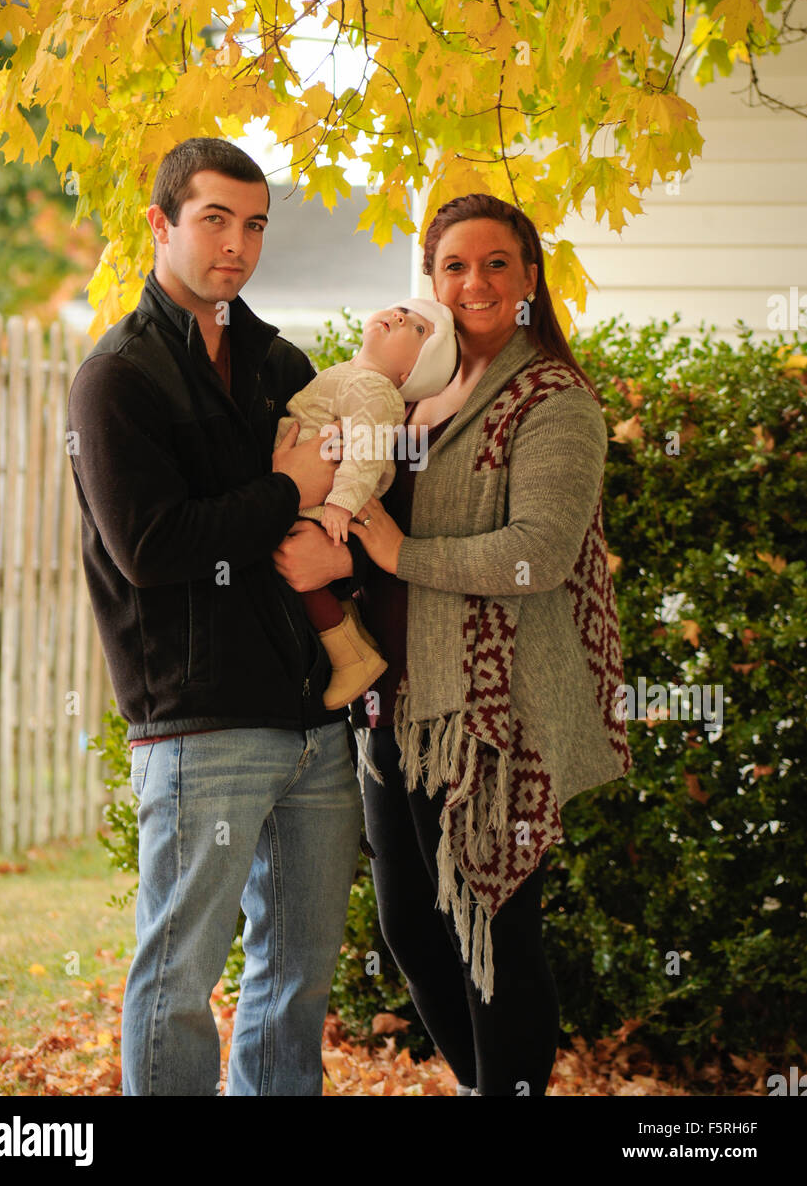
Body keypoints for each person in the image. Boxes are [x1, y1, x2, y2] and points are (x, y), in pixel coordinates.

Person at [274, 192, 632, 1098]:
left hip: (490, 712)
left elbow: (537, 557)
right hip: (395, 697)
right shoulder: (418, 395)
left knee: (493, 931)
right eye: (453, 266)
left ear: (528, 280)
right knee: (411, 925)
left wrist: (394, 548)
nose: (473, 282)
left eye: (495, 264)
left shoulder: (552, 399)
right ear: (429, 281)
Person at [66, 136, 365, 1096]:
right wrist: (282, 491)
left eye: (254, 225)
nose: (236, 245)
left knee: (294, 981)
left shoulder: (281, 362)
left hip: (315, 721)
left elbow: (333, 504)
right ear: (161, 224)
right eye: (213, 221)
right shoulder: (117, 378)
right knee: (179, 980)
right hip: (201, 723)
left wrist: (336, 548)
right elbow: (152, 551)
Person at [275, 299, 457, 707]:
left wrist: (341, 502)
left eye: (418, 329)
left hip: (328, 497)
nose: (400, 317)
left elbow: (366, 451)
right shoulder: (355, 376)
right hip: (314, 486)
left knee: (295, 562)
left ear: (409, 373)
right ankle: (349, 631)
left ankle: (351, 657)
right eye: (401, 311)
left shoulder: (376, 391)